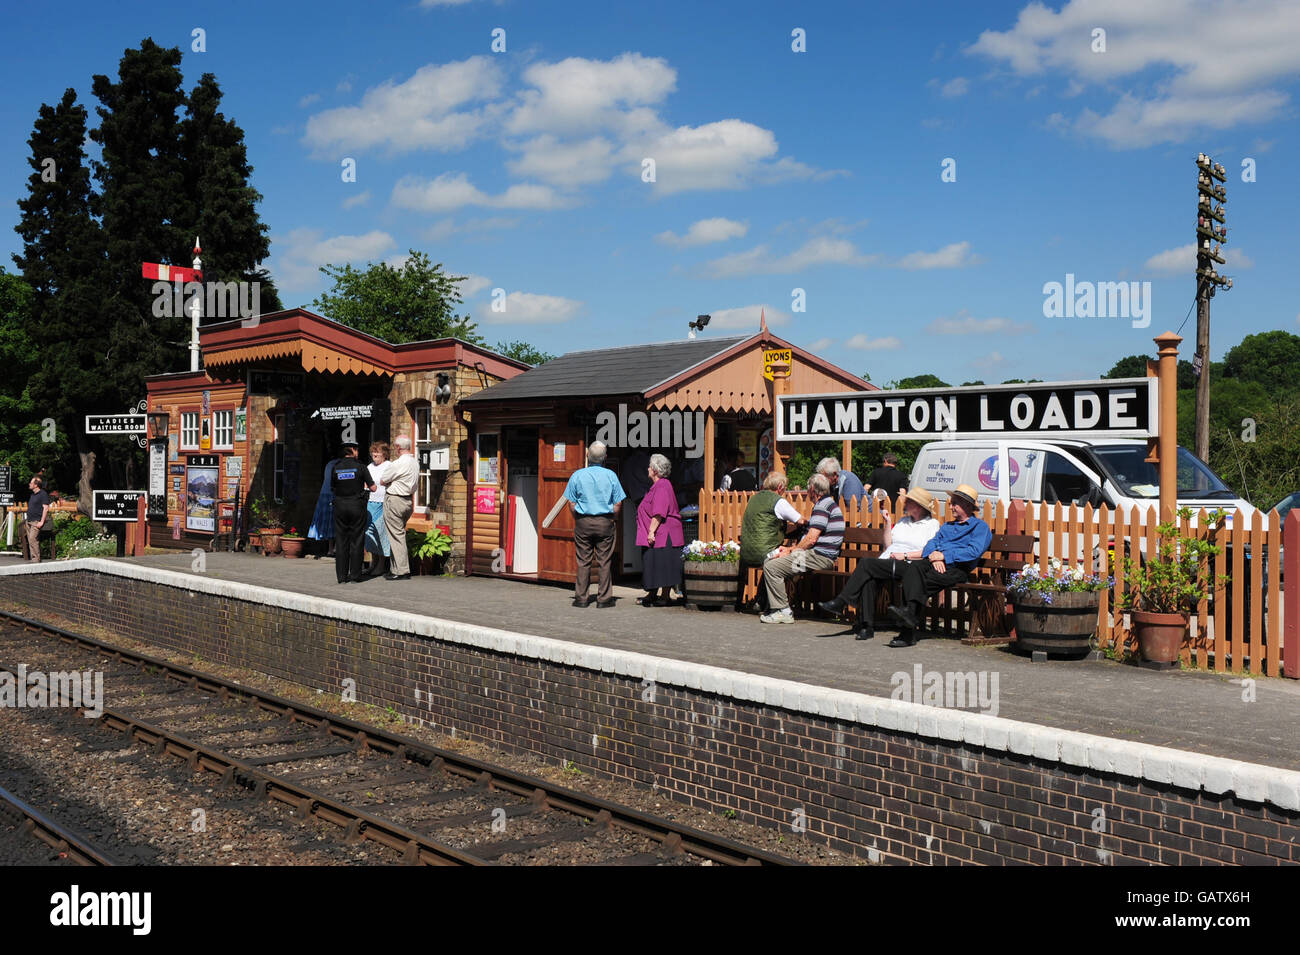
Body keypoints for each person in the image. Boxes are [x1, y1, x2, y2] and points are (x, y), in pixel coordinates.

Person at [816, 487, 940, 639]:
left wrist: (905, 554)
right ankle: (867, 626)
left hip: (909, 564)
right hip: (888, 561)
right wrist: (888, 523)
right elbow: (888, 546)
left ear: (919, 506)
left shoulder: (932, 525)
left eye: (908, 501)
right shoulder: (903, 521)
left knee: (866, 564)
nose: (904, 503)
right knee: (869, 578)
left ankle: (843, 601)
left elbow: (928, 551)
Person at [885, 483, 992, 647]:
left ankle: (907, 632)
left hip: (957, 568)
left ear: (968, 506)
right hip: (934, 563)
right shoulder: (947, 526)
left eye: (954, 503)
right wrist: (935, 556)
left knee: (916, 582)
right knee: (913, 568)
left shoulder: (980, 527)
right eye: (951, 502)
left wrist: (944, 556)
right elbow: (931, 544)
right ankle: (908, 621)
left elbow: (973, 552)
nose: (951, 506)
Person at [759, 472, 843, 624]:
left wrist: (790, 550)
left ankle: (782, 611)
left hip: (818, 557)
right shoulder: (827, 504)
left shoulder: (822, 506)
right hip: (815, 556)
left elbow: (811, 539)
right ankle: (775, 607)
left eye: (807, 489)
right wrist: (790, 551)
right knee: (771, 562)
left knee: (772, 567)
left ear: (812, 489)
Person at [563, 440, 626, 608]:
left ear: (587, 455)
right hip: (605, 521)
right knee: (604, 561)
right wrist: (614, 518)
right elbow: (618, 503)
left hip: (583, 522)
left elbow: (571, 502)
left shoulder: (577, 475)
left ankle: (581, 598)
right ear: (605, 457)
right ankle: (604, 599)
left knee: (583, 561)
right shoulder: (611, 476)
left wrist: (578, 518)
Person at [738, 471, 805, 610]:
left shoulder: (754, 498)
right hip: (764, 553)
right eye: (785, 488)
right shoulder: (778, 501)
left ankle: (760, 600)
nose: (784, 491)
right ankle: (785, 604)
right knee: (794, 562)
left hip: (746, 553)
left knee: (774, 561)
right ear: (780, 486)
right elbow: (801, 520)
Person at [636, 454, 684, 606]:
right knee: (653, 563)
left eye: (650, 466)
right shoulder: (657, 485)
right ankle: (652, 594)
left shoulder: (663, 485)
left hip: (664, 534)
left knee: (663, 564)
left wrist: (651, 532)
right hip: (660, 533)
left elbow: (659, 512)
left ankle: (664, 596)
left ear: (656, 470)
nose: (648, 468)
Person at [329, 443, 373, 584]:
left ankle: (341, 577)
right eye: (357, 449)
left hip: (340, 506)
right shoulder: (361, 466)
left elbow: (333, 487)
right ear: (353, 451)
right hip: (356, 506)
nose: (358, 452)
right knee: (357, 540)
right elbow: (372, 487)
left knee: (341, 541)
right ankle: (355, 575)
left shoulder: (336, 467)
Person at [380, 434, 419, 580]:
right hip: (408, 501)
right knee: (398, 533)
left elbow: (383, 480)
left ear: (398, 447)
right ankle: (395, 568)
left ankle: (401, 570)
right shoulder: (415, 462)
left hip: (395, 500)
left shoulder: (397, 463)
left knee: (396, 536)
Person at [364, 441, 391, 578]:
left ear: (384, 454)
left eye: (377, 453)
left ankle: (381, 565)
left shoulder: (388, 466)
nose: (374, 455)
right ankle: (373, 563)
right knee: (370, 533)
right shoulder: (369, 466)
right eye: (373, 453)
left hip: (382, 502)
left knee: (381, 533)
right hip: (370, 502)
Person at [308, 457, 337, 557]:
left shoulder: (330, 463)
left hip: (325, 493)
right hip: (332, 494)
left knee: (329, 522)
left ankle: (331, 548)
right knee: (333, 522)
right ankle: (333, 548)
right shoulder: (337, 464)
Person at [25, 476, 50, 563]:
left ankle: (36, 560)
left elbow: (46, 508)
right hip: (29, 521)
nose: (29, 484)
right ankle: (33, 559)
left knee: (33, 539)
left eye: (31, 483)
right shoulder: (32, 495)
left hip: (36, 521)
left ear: (36, 485)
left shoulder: (43, 494)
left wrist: (42, 521)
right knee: (30, 540)